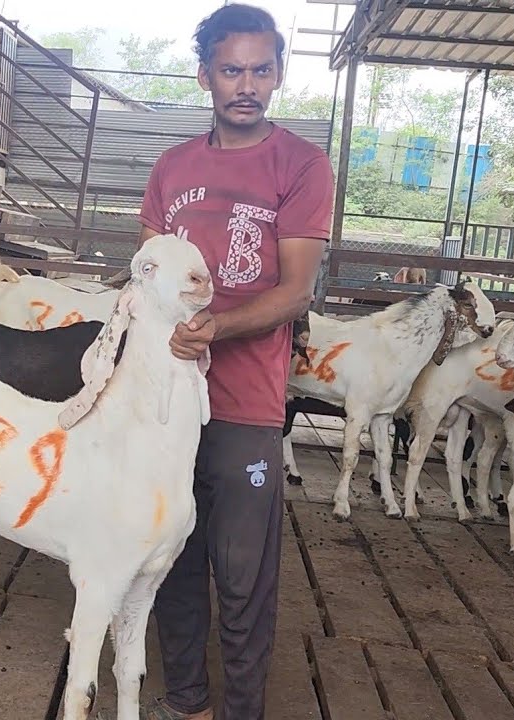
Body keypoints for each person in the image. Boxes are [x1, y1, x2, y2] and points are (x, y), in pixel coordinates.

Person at [138, 4, 334, 719]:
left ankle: (241, 711)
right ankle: (185, 701)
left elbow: (295, 291)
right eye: (231, 69)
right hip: (165, 402)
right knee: (170, 556)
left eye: (260, 69)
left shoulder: (302, 165)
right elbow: (149, 274)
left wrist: (216, 327)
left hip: (245, 404)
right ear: (205, 76)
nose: (245, 83)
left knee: (243, 572)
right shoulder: (172, 168)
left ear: (278, 74)